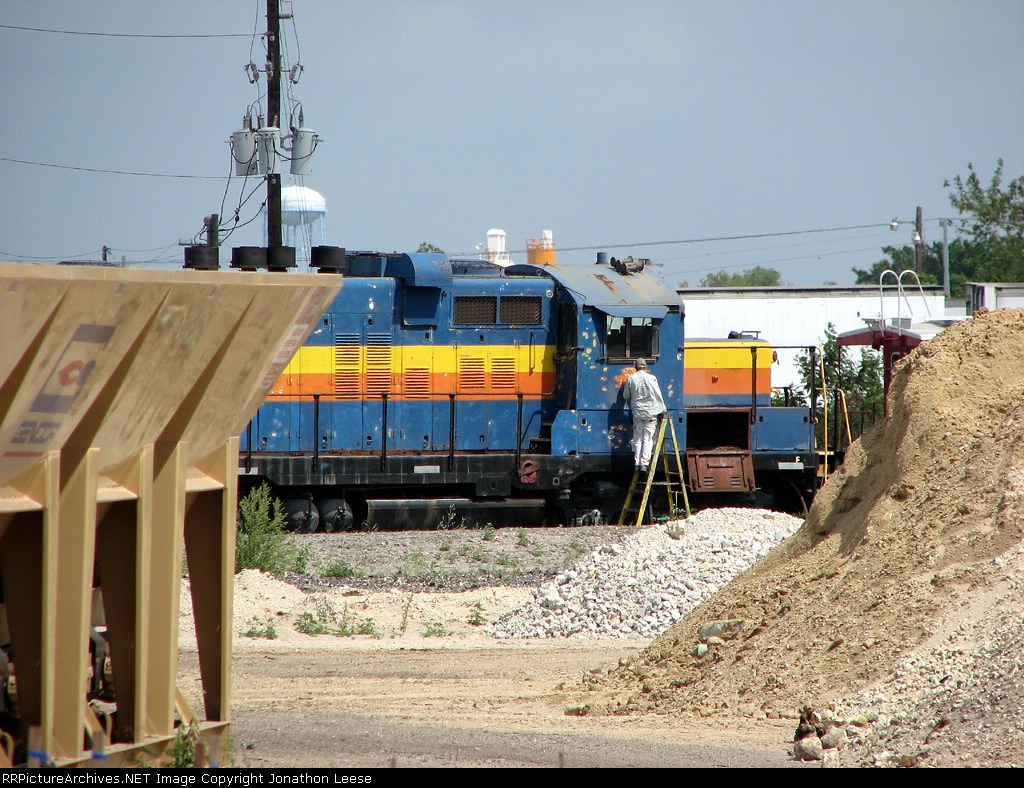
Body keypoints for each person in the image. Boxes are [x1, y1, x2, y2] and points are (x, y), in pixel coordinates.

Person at [622, 357, 666, 473]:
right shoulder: (652, 378)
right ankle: (644, 464)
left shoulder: (631, 378)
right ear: (645, 367)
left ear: (635, 367)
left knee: (637, 438)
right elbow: (658, 394)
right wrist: (663, 409)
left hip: (637, 412)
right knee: (648, 438)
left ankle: (636, 463)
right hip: (651, 412)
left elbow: (626, 396)